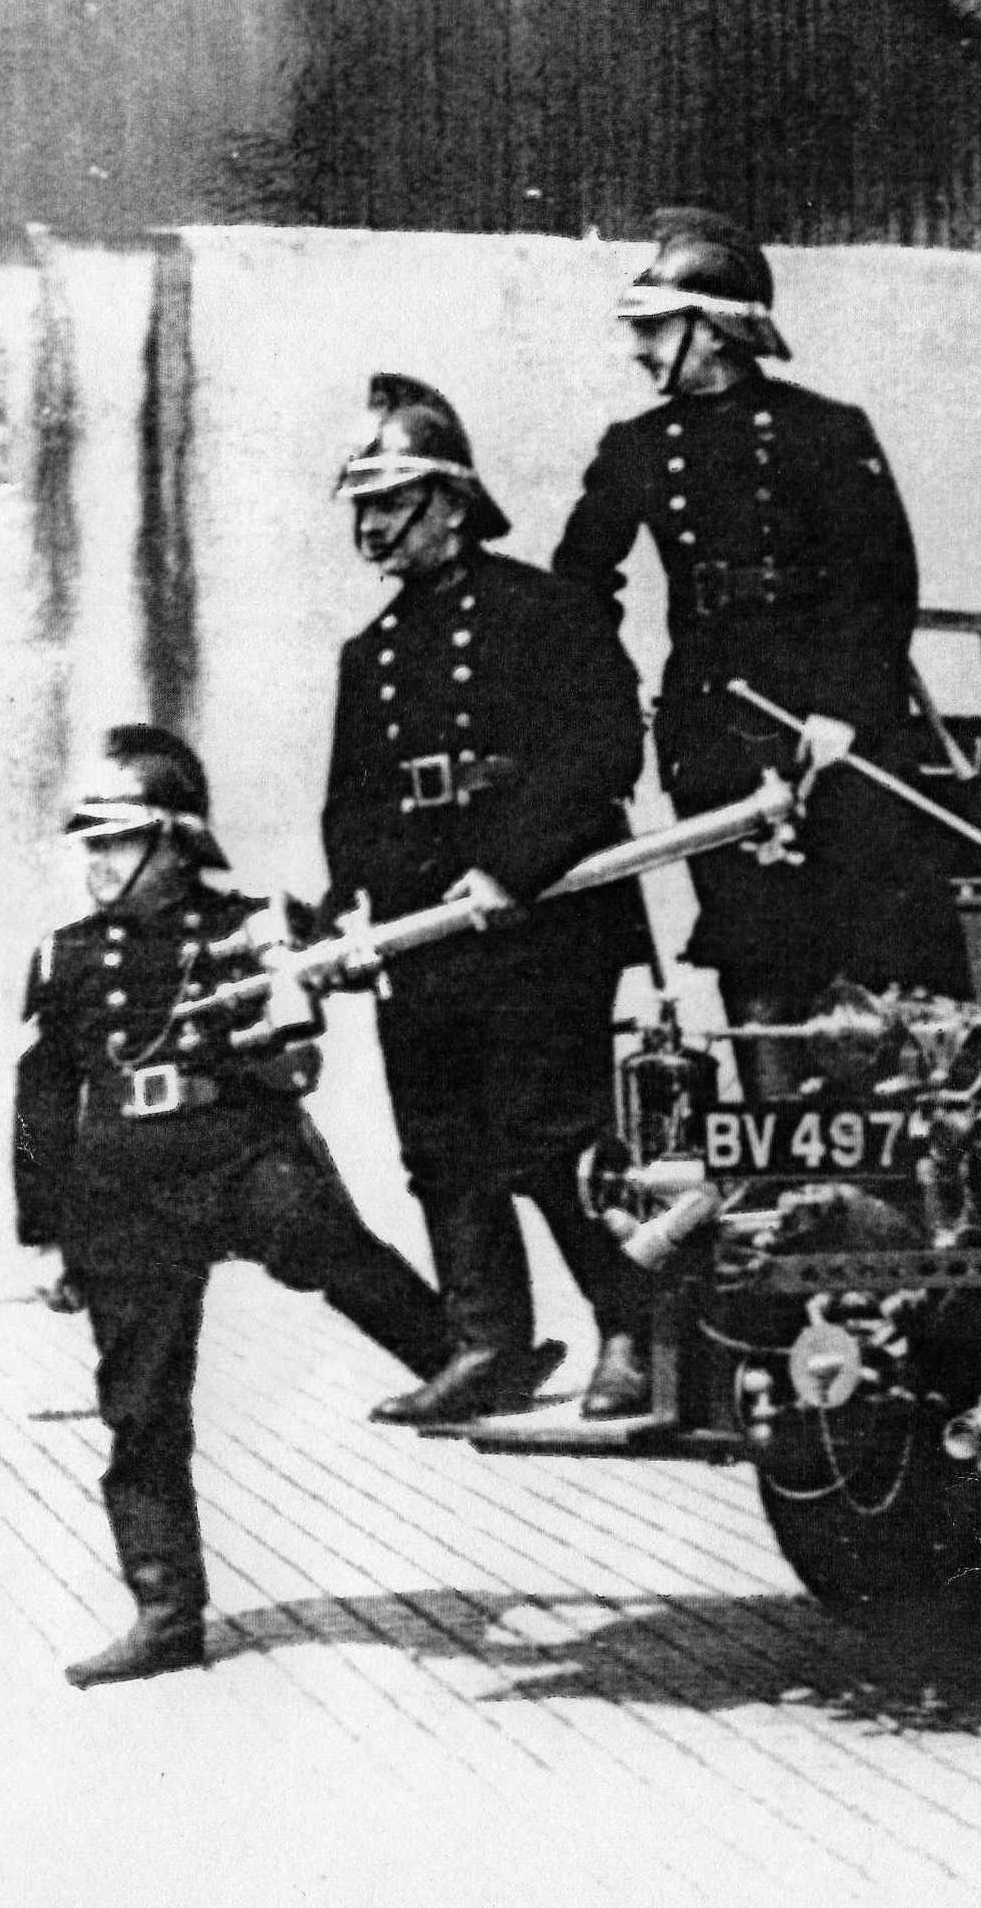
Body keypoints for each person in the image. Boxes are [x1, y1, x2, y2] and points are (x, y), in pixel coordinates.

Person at [16, 725, 463, 1686]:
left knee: (328, 1242)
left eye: (116, 840)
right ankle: (167, 1616)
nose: (95, 863)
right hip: (123, 1185)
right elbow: (44, 1097)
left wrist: (322, 970)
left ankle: (457, 1360)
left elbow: (341, 967)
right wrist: (48, 1234)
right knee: (140, 1410)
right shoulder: (65, 957)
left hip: (238, 1147)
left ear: (177, 841)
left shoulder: (257, 919)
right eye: (87, 845)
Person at [323, 374, 660, 1420]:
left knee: (551, 1137)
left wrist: (509, 866)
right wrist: (355, 913)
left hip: (541, 921)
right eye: (362, 508)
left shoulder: (542, 612)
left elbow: (606, 750)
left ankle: (633, 1330)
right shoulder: (369, 653)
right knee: (440, 1143)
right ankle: (487, 1345)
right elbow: (353, 804)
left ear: (453, 503)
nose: (371, 526)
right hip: (426, 934)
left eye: (392, 502)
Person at [551, 206, 959, 1044]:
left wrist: (844, 705)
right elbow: (579, 586)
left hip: (836, 731)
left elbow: (878, 579)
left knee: (873, 945)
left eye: (657, 328)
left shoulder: (824, 431)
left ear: (717, 330)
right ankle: (775, 1150)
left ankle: (893, 1144)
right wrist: (611, 704)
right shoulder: (635, 447)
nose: (638, 350)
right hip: (712, 730)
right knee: (754, 950)